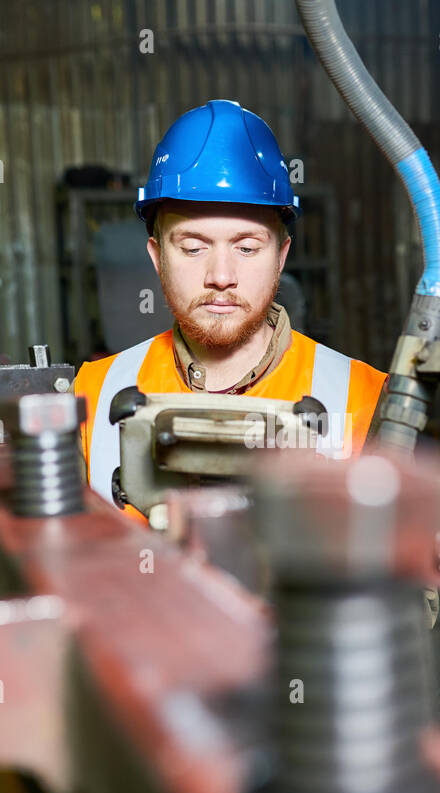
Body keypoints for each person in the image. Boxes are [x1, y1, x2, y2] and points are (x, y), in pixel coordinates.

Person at [73, 99, 388, 526]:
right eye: (193, 247)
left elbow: (404, 585)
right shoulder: (91, 397)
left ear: (281, 256)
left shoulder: (366, 399)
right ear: (156, 256)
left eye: (246, 247)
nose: (221, 276)